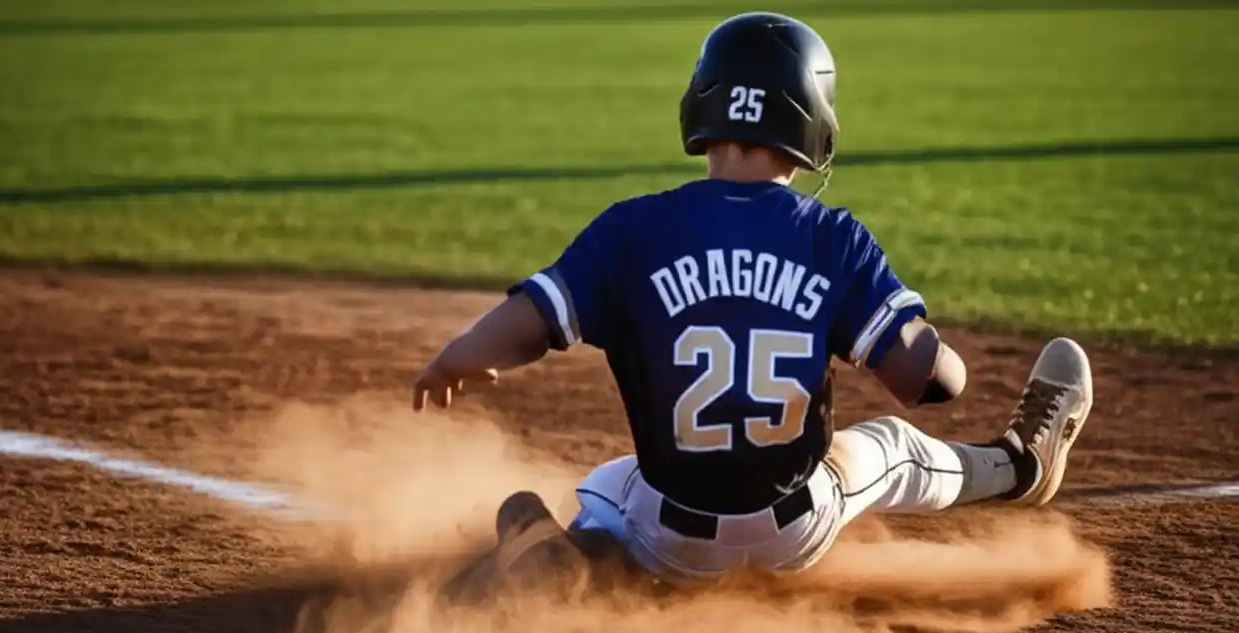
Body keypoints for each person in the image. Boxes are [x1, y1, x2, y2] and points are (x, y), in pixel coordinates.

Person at [414, 12, 1093, 590]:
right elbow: (925, 384)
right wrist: (945, 361)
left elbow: (533, 320)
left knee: (600, 489)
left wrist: (457, 356)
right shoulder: (833, 239)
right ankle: (1021, 465)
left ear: (700, 107)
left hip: (669, 536)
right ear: (812, 120)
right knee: (892, 449)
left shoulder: (631, 229)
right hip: (796, 530)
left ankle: (578, 563)